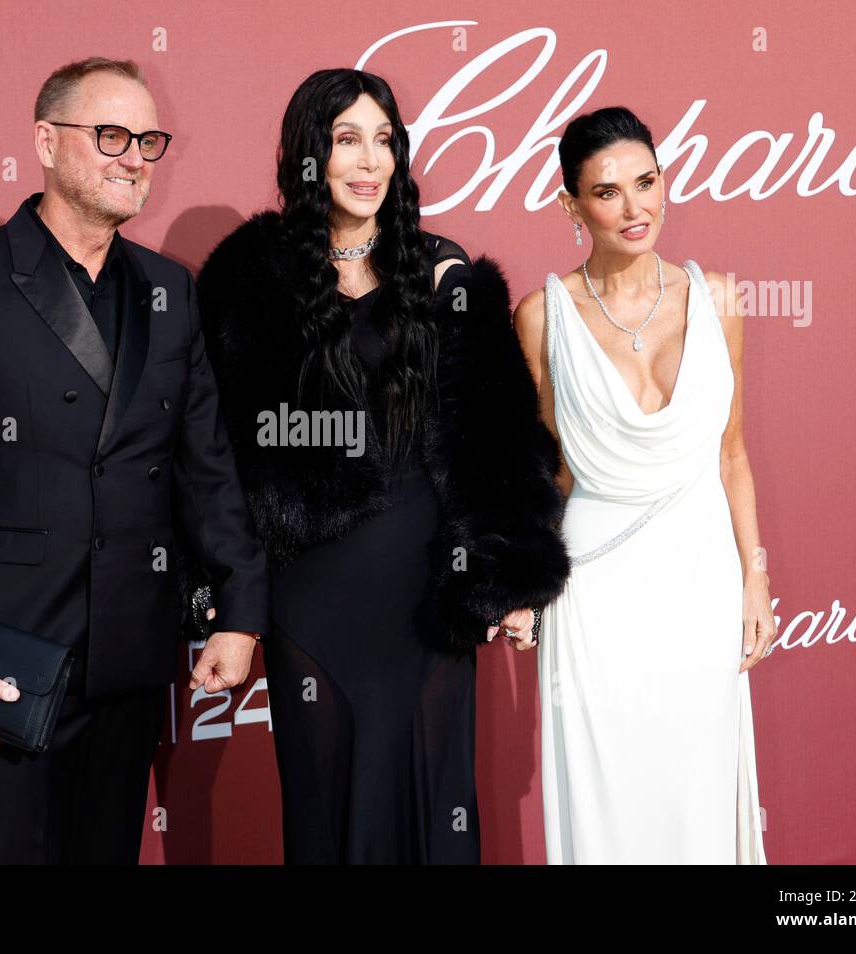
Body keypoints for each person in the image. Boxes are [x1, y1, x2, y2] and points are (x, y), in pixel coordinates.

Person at [0, 57, 269, 864]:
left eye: (148, 140)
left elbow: (205, 464)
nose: (135, 157)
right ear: (46, 143)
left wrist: (239, 608)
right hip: (6, 649)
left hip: (130, 643)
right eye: (111, 135)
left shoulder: (171, 290)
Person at [194, 68, 570, 863]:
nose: (369, 161)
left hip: (427, 581)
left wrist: (502, 575)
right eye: (345, 140)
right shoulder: (252, 279)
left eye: (384, 140)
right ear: (308, 155)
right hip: (313, 586)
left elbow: (496, 438)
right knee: (328, 802)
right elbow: (227, 450)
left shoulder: (441, 271)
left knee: (436, 800)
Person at [513, 106, 773, 864]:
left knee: (694, 781)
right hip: (595, 591)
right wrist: (527, 580)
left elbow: (732, 454)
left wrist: (754, 581)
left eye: (647, 182)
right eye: (607, 193)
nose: (636, 208)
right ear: (571, 205)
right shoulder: (540, 317)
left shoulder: (719, 300)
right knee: (608, 794)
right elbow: (551, 471)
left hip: (700, 578)